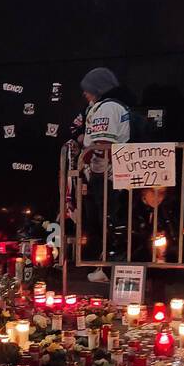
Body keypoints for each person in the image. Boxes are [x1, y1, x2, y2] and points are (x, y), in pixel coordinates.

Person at [77, 66, 131, 262]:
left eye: (88, 88)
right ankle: (109, 260)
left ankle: (112, 263)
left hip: (108, 175)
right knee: (109, 218)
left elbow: (103, 145)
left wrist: (91, 163)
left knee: (110, 219)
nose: (84, 92)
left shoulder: (107, 107)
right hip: (112, 175)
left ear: (98, 88)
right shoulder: (109, 106)